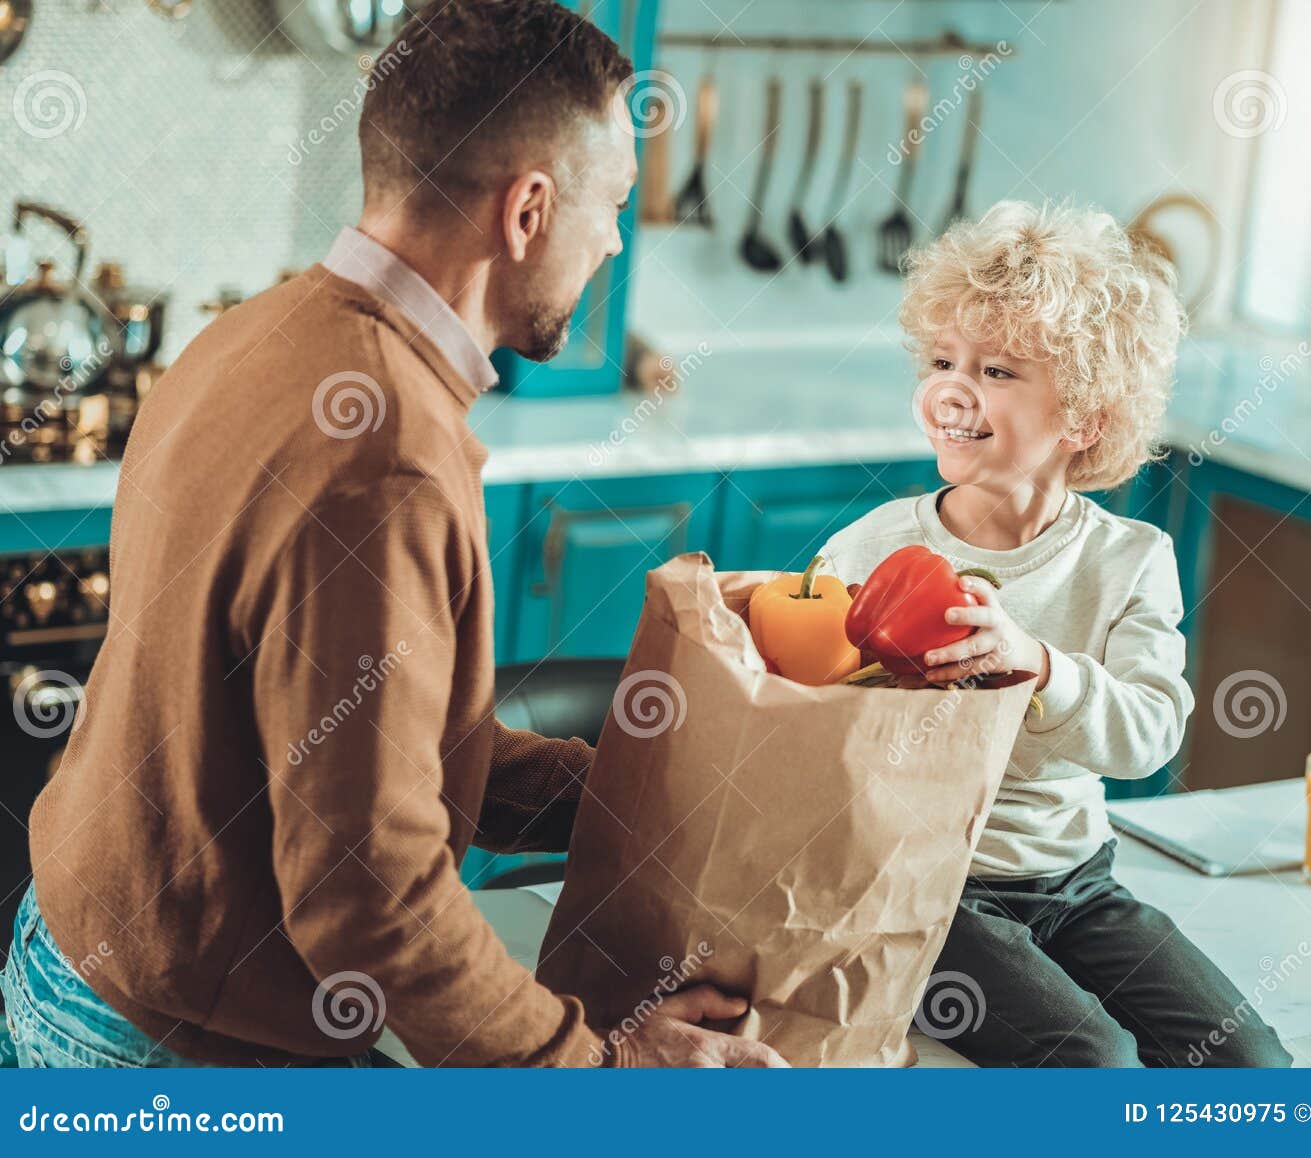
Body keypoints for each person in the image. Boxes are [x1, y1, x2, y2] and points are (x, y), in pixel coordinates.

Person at [1, 0, 784, 1069]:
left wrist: (647, 799)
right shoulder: (384, 461)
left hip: (83, 961)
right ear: (528, 212)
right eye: (611, 206)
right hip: (174, 1050)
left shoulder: (258, 332)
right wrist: (609, 1069)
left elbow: (342, 746)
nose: (611, 242)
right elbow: (369, 907)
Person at [821, 201, 1292, 1068]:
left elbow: (1151, 734)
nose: (952, 390)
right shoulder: (869, 550)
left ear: (1084, 421)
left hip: (1078, 884)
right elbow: (809, 741)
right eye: (940, 360)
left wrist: (1038, 666)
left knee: (1249, 1062)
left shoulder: (1132, 559)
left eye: (998, 370)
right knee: (1093, 1061)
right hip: (924, 888)